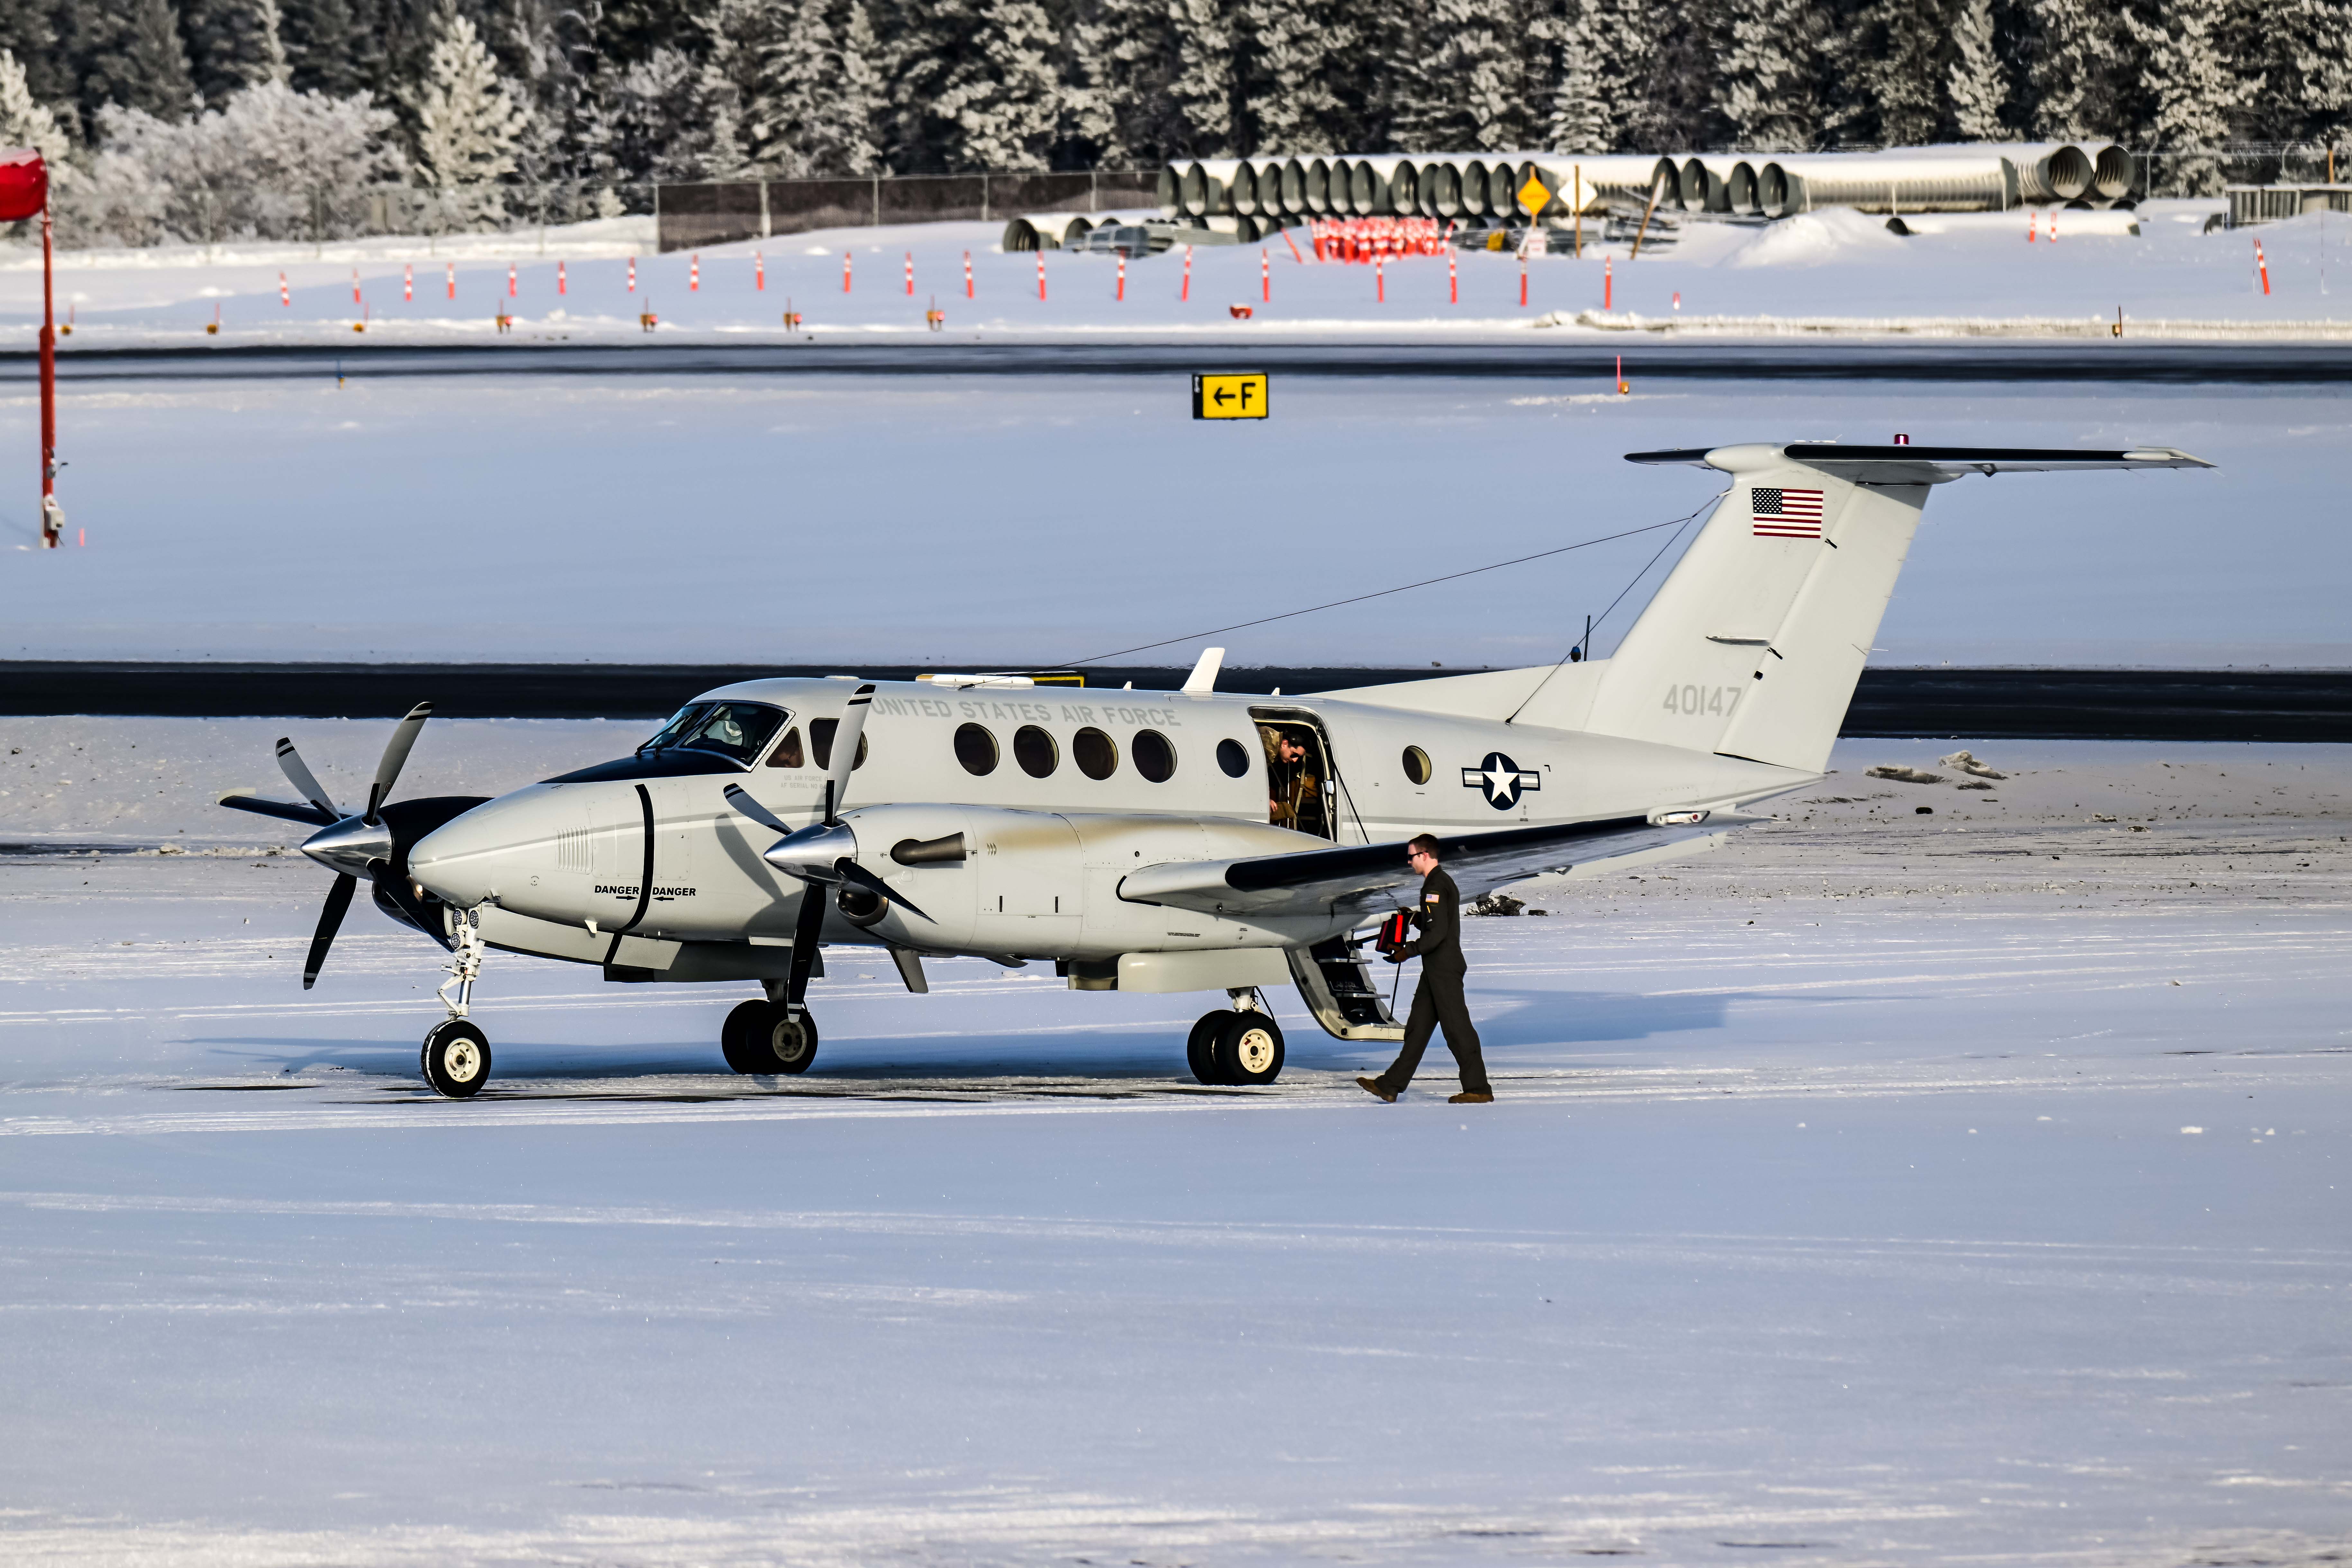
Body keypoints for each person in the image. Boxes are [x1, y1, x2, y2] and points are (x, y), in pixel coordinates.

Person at [1359, 834, 1493, 1104]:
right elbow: (1436, 924)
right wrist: (1415, 917)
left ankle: (1478, 1088)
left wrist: (1406, 951)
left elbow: (1437, 935)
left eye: (1411, 857)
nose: (1409, 862)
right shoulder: (1439, 883)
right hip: (1435, 970)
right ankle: (1390, 1085)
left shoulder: (1435, 886)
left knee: (1458, 1030)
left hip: (1444, 969)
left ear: (1425, 855)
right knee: (1418, 1030)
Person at [1264, 727, 1327, 837]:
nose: (1295, 760)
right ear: (1285, 744)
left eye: (1299, 757)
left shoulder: (1274, 749)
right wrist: (1263, 799)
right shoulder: (1266, 746)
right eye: (1294, 754)